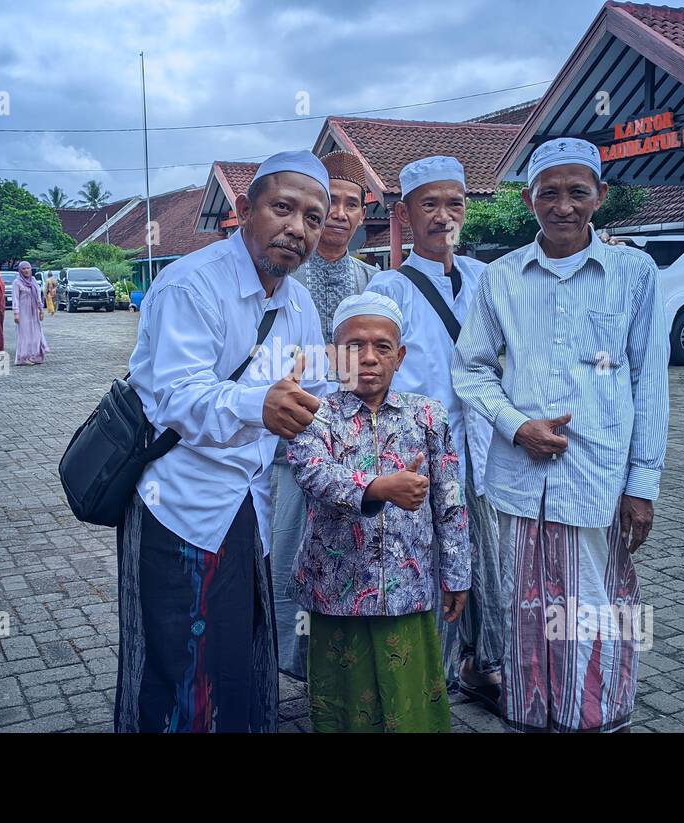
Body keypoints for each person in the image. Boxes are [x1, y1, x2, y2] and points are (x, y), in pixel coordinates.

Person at [452, 137, 668, 733]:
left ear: (599, 196)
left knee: (595, 610)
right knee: (528, 610)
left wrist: (642, 483)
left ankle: (594, 720)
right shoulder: (500, 278)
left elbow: (650, 382)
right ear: (529, 200)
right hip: (521, 483)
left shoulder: (633, 272)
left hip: (598, 481)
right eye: (549, 192)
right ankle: (532, 718)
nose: (563, 205)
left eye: (578, 192)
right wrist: (516, 425)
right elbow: (468, 368)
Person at [117, 150, 331, 733]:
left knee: (238, 655)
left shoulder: (300, 303)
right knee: (177, 660)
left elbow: (317, 390)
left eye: (313, 218)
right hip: (180, 506)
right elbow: (175, 398)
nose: (297, 228)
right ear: (244, 209)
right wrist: (256, 405)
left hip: (251, 507)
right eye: (283, 208)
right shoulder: (189, 285)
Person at [288, 293, 468, 733]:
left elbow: (450, 503)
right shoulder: (315, 415)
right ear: (333, 356)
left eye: (382, 346)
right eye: (353, 346)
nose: (368, 358)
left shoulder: (427, 416)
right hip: (336, 590)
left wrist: (457, 576)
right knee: (345, 706)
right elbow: (313, 474)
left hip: (408, 590)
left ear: (399, 356)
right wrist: (377, 488)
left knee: (409, 702)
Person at [365, 155, 501, 702]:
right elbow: (365, 372)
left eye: (455, 204)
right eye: (430, 205)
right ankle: (429, 675)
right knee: (425, 561)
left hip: (484, 447)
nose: (444, 216)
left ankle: (481, 661)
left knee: (484, 559)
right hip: (419, 456)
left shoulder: (487, 280)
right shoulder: (388, 288)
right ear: (405, 214)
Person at [270, 149, 382, 679]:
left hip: (352, 451)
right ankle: (275, 667)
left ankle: (333, 675)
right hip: (284, 451)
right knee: (283, 560)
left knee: (342, 562)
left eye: (350, 204)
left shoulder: (372, 281)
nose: (338, 214)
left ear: (364, 214)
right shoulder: (286, 270)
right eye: (329, 202)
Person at [12, 261, 48, 365]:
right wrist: (16, 313)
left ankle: (35, 355)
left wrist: (41, 310)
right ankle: (23, 357)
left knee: (37, 333)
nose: (26, 270)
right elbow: (15, 299)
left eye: (28, 268)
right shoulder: (17, 282)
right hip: (23, 312)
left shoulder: (33, 281)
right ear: (20, 270)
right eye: (23, 269)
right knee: (25, 334)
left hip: (34, 312)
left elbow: (38, 296)